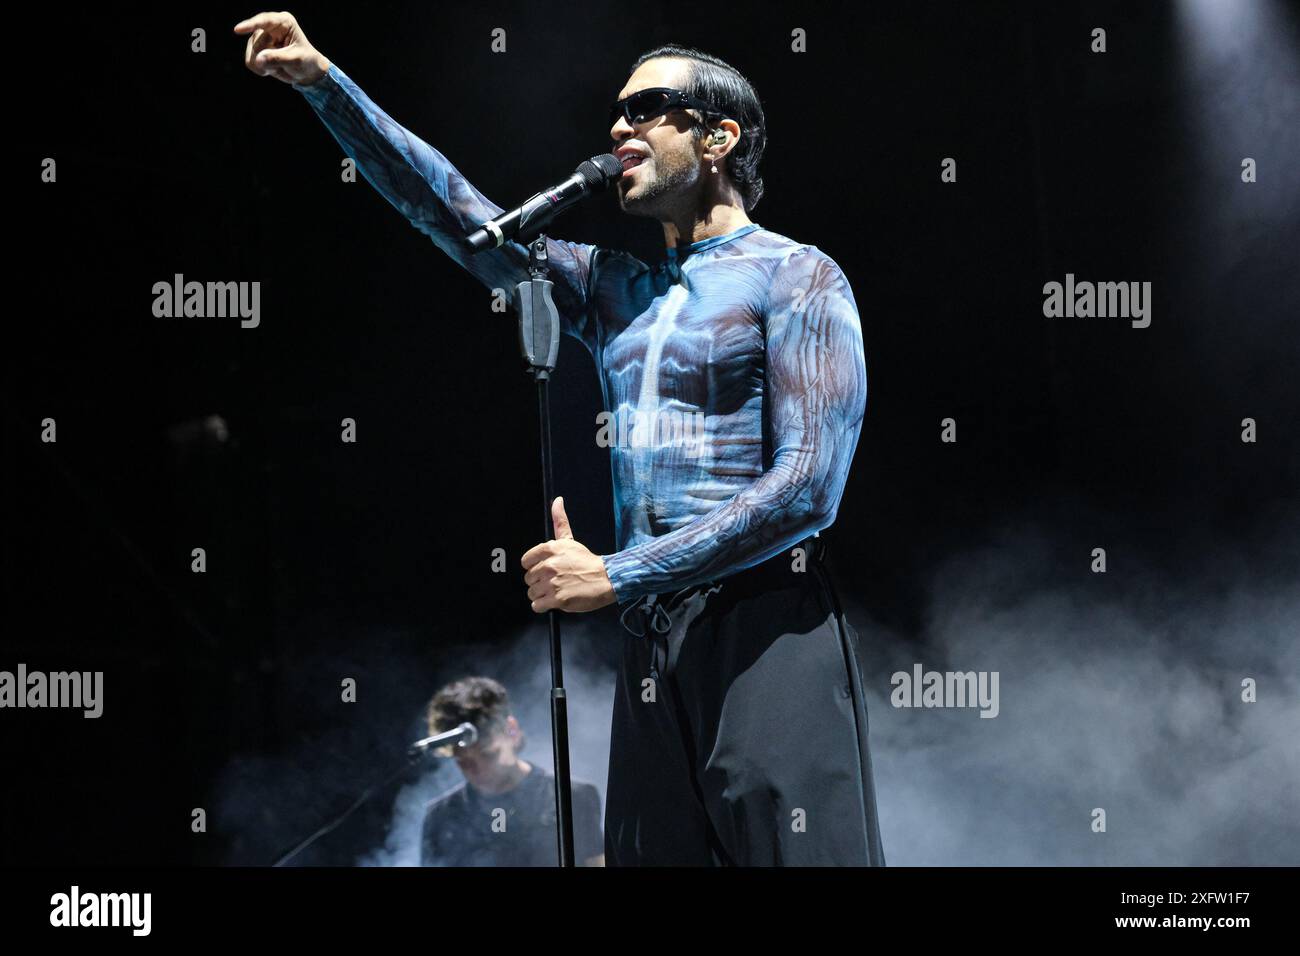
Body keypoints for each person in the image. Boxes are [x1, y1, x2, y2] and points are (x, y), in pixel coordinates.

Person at [235, 12, 885, 866]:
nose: (618, 127)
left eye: (647, 108)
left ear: (720, 136)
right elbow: (460, 221)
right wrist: (326, 85)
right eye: (615, 112)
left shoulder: (798, 274)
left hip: (765, 626)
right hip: (651, 640)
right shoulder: (614, 288)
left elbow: (808, 487)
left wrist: (614, 572)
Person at [420, 677, 604, 867]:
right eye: (464, 762)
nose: (479, 771)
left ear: (512, 731)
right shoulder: (440, 817)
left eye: (489, 755)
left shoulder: (573, 797)